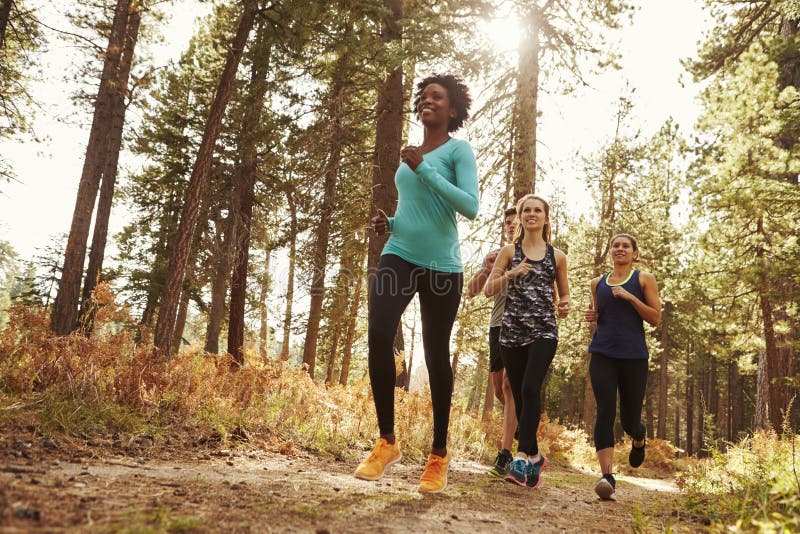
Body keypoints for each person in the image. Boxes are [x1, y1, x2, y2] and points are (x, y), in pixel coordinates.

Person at [354, 73, 479, 494]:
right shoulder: (411, 153)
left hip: (442, 265)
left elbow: (470, 206)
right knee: (377, 331)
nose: (427, 101)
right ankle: (387, 441)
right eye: (423, 97)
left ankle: (438, 454)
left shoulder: (458, 150)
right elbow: (414, 210)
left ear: (453, 110)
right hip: (400, 252)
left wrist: (423, 168)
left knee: (436, 352)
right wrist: (389, 222)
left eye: (436, 97)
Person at [484, 194, 570, 489]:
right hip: (511, 333)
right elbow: (487, 289)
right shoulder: (509, 251)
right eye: (526, 211)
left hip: (544, 330)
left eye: (538, 210)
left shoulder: (557, 256)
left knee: (531, 387)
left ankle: (521, 457)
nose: (532, 214)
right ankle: (535, 457)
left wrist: (565, 305)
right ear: (520, 218)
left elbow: (565, 292)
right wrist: (510, 273)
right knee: (519, 396)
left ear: (546, 218)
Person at [583, 233, 661, 501]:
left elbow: (655, 318)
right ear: (610, 252)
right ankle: (607, 476)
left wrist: (631, 298)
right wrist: (592, 316)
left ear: (634, 253)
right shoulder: (597, 283)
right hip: (602, 353)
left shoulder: (643, 279)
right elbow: (599, 316)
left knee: (629, 420)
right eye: (615, 245)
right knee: (605, 411)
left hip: (633, 357)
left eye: (625, 246)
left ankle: (639, 438)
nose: (619, 249)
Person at [465, 207, 518, 477]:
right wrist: (486, 269)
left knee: (510, 385)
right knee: (499, 390)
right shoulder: (498, 256)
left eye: (515, 221)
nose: (511, 226)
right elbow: (473, 291)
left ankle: (507, 452)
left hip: (521, 327)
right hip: (497, 326)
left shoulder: (533, 252)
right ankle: (520, 425)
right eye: (507, 223)